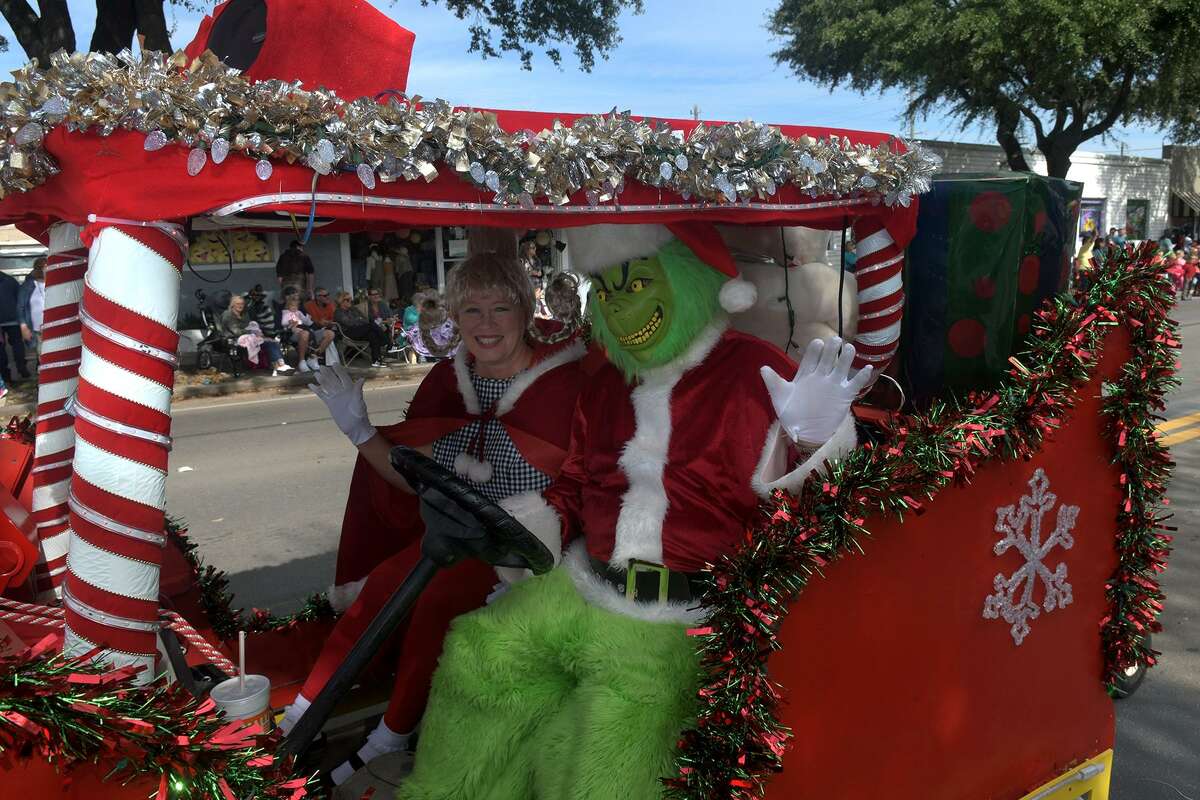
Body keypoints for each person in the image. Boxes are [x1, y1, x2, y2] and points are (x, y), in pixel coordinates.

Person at [394, 223, 865, 800]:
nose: (620, 307)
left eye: (638, 283)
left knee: (603, 753)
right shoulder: (607, 384)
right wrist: (525, 530)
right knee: (480, 653)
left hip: (678, 616)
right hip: (585, 584)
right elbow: (573, 487)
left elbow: (817, 520)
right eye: (608, 290)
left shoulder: (756, 373)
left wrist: (818, 443)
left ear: (690, 280)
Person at [287, 250, 588, 787]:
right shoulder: (454, 382)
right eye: (472, 312)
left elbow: (590, 487)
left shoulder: (567, 383)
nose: (487, 325)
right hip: (463, 536)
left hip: (536, 556)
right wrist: (359, 431)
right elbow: (414, 475)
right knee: (385, 582)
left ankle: (390, 737)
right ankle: (294, 723)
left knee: (435, 598)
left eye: (501, 309)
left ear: (525, 310)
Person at [219, 294, 294, 376]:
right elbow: (236, 331)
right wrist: (252, 332)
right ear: (232, 305)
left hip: (248, 337)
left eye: (242, 304)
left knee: (272, 342)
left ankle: (280, 366)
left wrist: (255, 331)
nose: (240, 306)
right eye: (238, 304)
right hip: (233, 339)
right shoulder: (227, 314)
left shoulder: (244, 314)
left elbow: (250, 325)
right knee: (267, 342)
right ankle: (279, 367)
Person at [281, 292, 336, 371]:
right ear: (288, 305)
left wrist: (309, 318)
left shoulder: (299, 312)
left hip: (307, 329)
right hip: (293, 332)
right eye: (292, 305)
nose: (294, 307)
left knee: (330, 334)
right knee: (305, 333)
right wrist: (290, 322)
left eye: (296, 305)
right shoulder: (285, 312)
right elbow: (283, 323)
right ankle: (302, 361)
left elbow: (309, 322)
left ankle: (313, 357)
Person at [333, 290, 389, 366]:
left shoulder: (353, 309)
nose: (350, 301)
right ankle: (387, 342)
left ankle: (376, 361)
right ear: (341, 302)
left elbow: (365, 319)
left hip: (360, 331)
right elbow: (350, 324)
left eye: (350, 299)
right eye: (347, 300)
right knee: (371, 325)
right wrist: (359, 320)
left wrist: (358, 320)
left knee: (372, 335)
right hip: (348, 334)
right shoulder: (338, 312)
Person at [0, 270, 28, 383]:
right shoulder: (10, 280)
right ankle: (22, 368)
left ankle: (5, 374)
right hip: (13, 319)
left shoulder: (10, 280)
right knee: (17, 344)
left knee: (0, 348)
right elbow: (20, 298)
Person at [18, 257, 45, 369]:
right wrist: (23, 326)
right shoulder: (28, 286)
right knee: (41, 353)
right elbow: (20, 306)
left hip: (51, 326)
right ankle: (41, 377)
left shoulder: (55, 283)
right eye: (44, 268)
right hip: (37, 328)